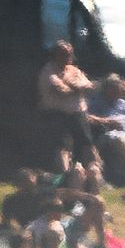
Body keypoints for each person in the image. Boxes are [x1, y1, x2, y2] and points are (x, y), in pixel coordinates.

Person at [38, 41, 98, 169]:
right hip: (57, 115)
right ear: (55, 55)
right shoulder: (48, 71)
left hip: (79, 114)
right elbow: (62, 90)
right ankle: (63, 174)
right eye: (63, 54)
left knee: (87, 144)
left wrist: (72, 85)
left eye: (69, 54)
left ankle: (95, 172)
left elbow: (90, 87)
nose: (67, 57)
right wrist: (78, 88)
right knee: (63, 146)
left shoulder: (74, 70)